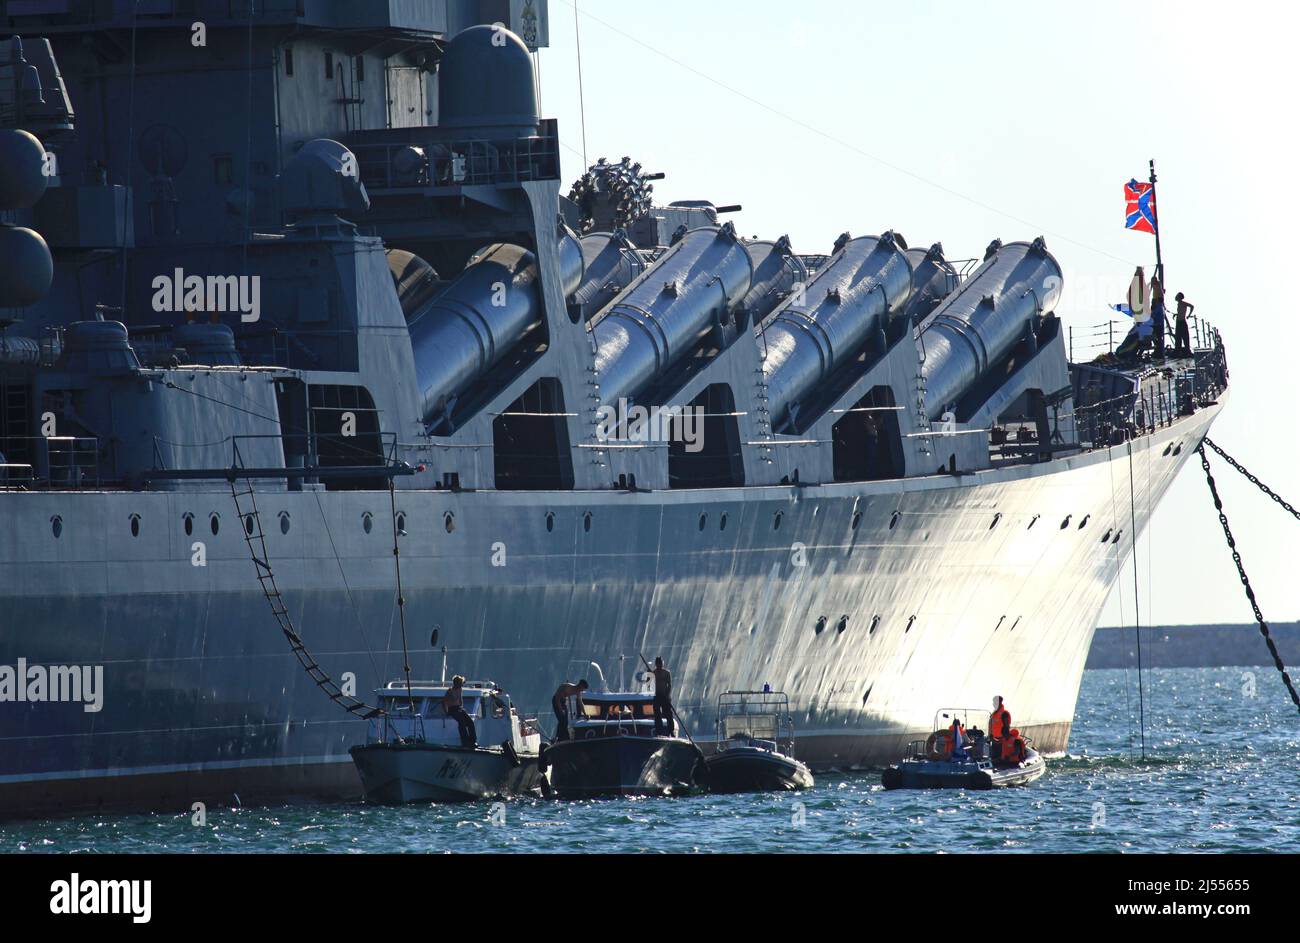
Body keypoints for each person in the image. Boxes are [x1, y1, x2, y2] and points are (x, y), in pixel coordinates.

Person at [442, 675, 477, 748]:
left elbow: (460, 699)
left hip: (459, 708)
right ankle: (465, 742)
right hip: (452, 709)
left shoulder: (460, 689)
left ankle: (473, 741)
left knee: (470, 722)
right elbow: (444, 702)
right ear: (456, 683)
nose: (462, 684)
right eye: (461, 683)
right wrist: (446, 712)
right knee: (462, 722)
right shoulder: (450, 691)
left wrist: (462, 707)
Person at [651, 657, 675, 737]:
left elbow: (669, 685)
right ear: (656, 664)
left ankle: (671, 731)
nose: (660, 665)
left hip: (665, 696)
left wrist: (667, 695)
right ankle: (659, 731)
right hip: (657, 696)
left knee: (668, 714)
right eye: (658, 663)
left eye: (661, 663)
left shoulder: (667, 673)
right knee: (657, 715)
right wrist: (649, 675)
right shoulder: (653, 673)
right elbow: (649, 684)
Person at [989, 695, 1011, 762]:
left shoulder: (1004, 713)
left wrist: (1003, 739)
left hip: (1001, 741)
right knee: (994, 759)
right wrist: (991, 737)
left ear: (999, 702)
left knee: (1001, 759)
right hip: (994, 740)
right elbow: (991, 726)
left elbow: (1007, 727)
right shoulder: (993, 714)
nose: (993, 704)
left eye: (994, 702)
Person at [1149, 275, 1166, 359]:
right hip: (1157, 323)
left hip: (1157, 324)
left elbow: (1153, 315)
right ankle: (1158, 351)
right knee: (1157, 337)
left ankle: (1159, 352)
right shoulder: (1159, 307)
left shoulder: (1158, 308)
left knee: (1156, 337)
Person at [1173, 292, 1194, 357]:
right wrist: (1176, 314)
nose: (1176, 297)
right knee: (1178, 337)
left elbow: (1192, 306)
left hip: (1182, 322)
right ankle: (1178, 351)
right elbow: (1180, 311)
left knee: (1185, 337)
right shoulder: (1179, 304)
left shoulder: (1183, 303)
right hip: (1178, 322)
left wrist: (1188, 315)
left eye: (1177, 296)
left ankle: (1187, 351)